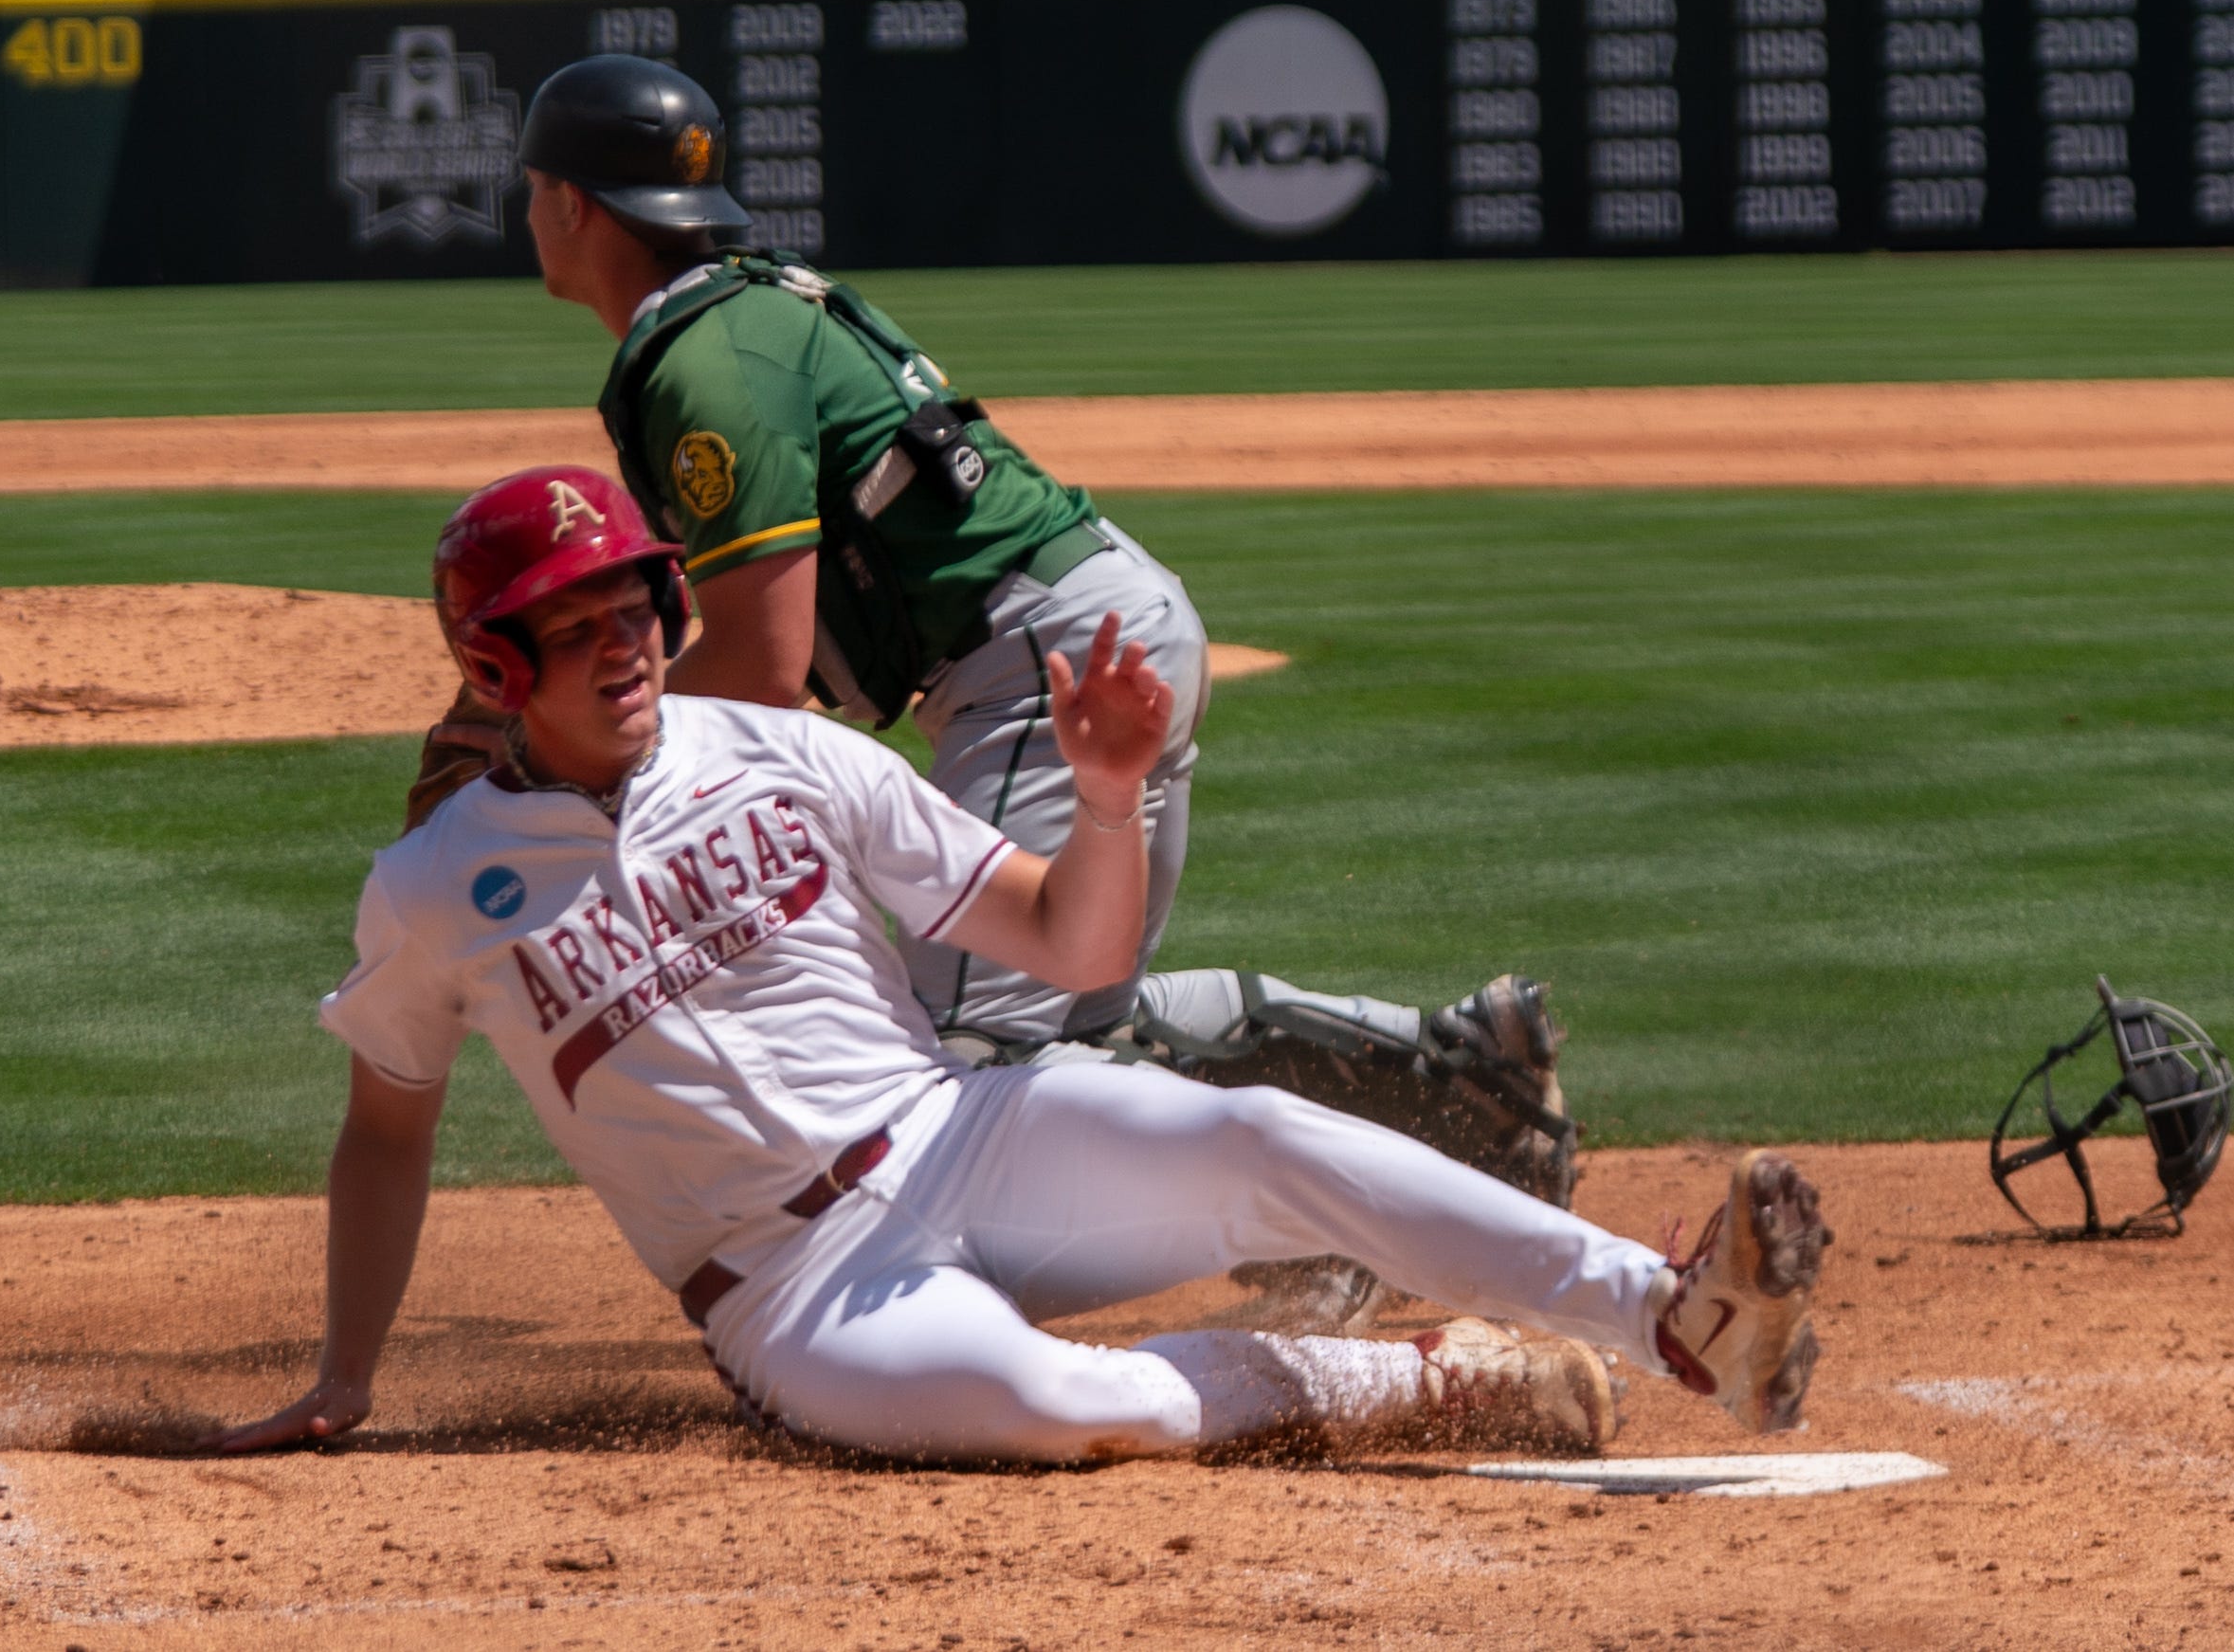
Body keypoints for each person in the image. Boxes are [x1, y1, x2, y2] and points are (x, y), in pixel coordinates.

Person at [214, 466, 1830, 1465]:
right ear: (500, 664)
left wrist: (1109, 795)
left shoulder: (779, 753)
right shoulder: (435, 889)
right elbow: (387, 1128)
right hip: (791, 1294)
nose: (629, 637)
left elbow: (1076, 941)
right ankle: (1424, 1385)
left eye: (636, 597)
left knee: (1257, 1132)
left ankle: (1674, 1319)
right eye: (579, 624)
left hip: (960, 1136)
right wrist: (344, 1373)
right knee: (1074, 1408)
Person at [404, 55, 1571, 1225]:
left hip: (1039, 666)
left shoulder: (707, 366)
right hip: (1082, 628)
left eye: (534, 185)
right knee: (1081, 1018)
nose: (529, 210)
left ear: (572, 204)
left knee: (961, 1073)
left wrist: (534, 755)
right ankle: (1455, 1083)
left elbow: (761, 664)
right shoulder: (742, 312)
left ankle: (1422, 1132)